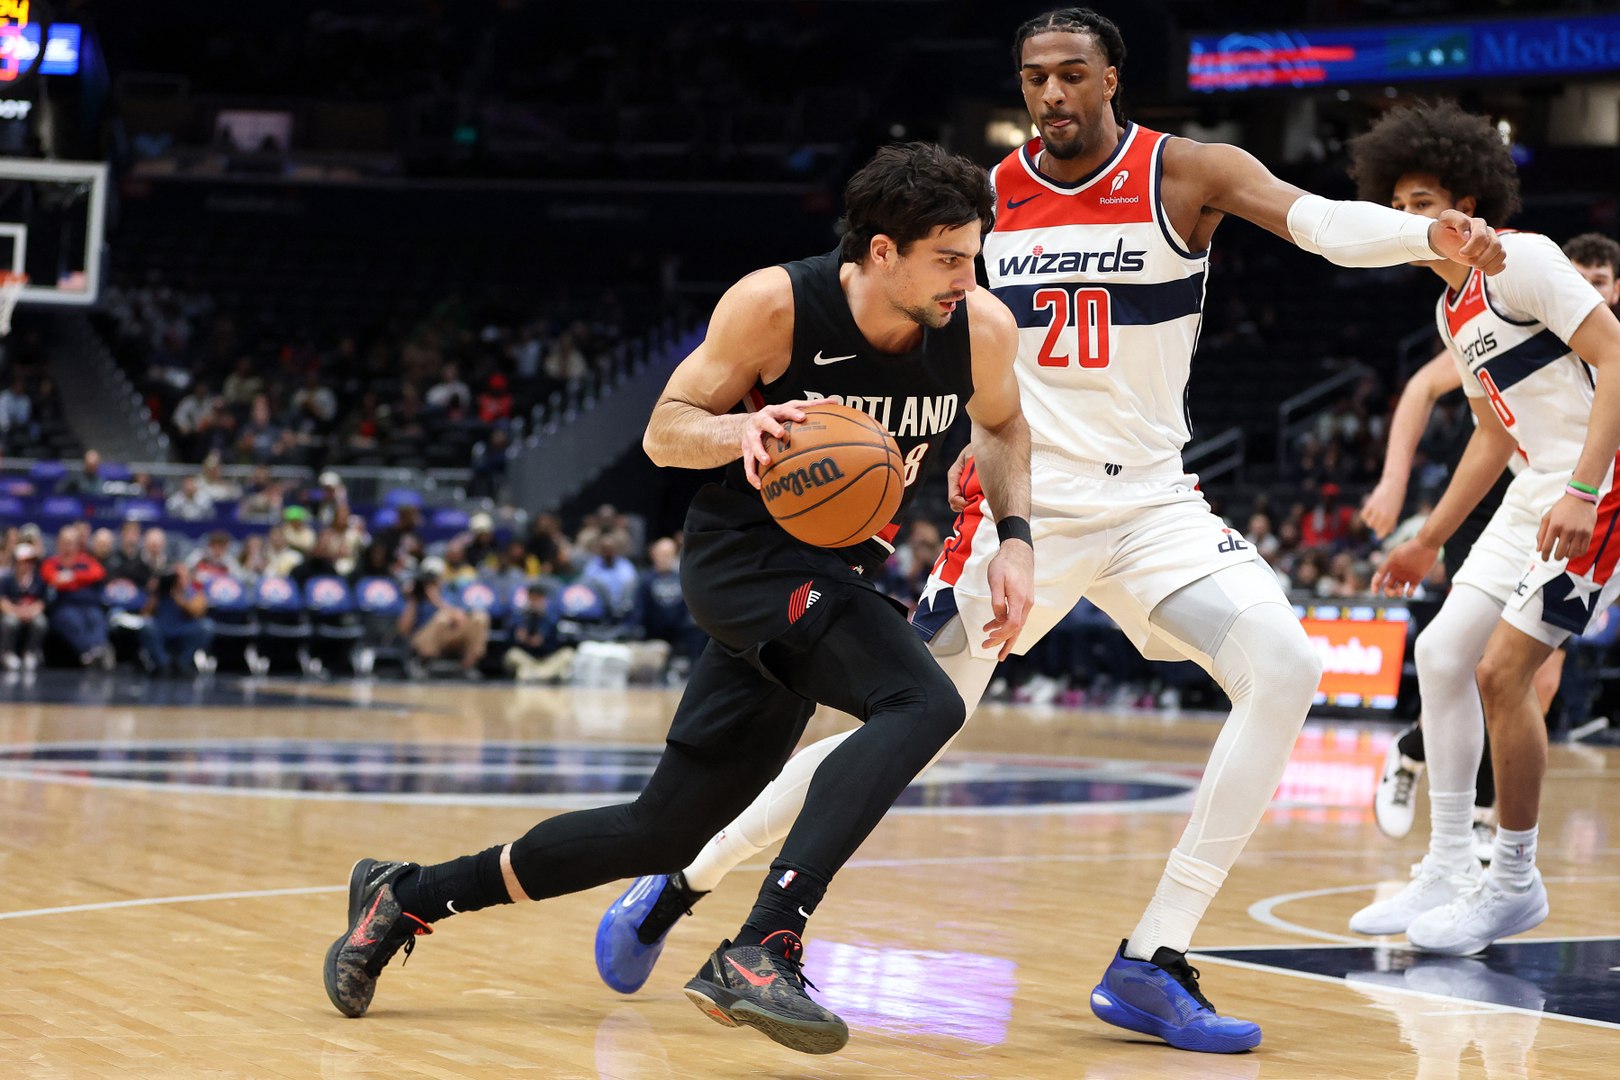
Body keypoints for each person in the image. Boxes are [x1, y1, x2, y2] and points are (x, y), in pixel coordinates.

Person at [592, 8, 1507, 1056]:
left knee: (1286, 665)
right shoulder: (979, 208)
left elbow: (1313, 221)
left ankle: (1152, 961)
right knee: (892, 734)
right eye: (1035, 79)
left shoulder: (1186, 173)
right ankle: (681, 885)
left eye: (1073, 74)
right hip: (1020, 509)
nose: (1053, 95)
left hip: (1155, 502)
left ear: (1114, 76)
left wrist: (1414, 236)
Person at [321, 142, 1034, 1056]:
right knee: (922, 699)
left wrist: (1016, 538)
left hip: (834, 575)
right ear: (882, 251)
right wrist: (743, 426)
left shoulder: (979, 328)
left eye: (973, 255)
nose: (966, 277)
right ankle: (764, 941)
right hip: (742, 561)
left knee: (664, 829)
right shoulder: (778, 303)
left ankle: (405, 897)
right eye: (949, 257)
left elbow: (1005, 425)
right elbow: (665, 431)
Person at [1344, 102, 1620, 955]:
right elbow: (1494, 433)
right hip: (1534, 484)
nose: (1408, 222)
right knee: (1440, 654)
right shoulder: (1449, 311)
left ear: (1468, 200)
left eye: (1424, 202)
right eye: (1397, 207)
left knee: (1505, 673)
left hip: (1600, 482)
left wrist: (1581, 487)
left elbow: (1617, 356)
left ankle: (1513, 880)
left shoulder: (1527, 260)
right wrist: (1429, 534)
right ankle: (1448, 864)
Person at [1360, 233, 1620, 856]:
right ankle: (1449, 823)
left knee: (1523, 678)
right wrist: (1406, 502)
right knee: (1464, 661)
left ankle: (1491, 836)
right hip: (1515, 496)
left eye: (1601, 280)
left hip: (1585, 495)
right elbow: (1433, 395)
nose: (1587, 287)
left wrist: (1584, 492)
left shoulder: (1553, 297)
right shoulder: (1477, 305)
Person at [398, 567, 488, 679]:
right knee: (440, 619)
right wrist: (413, 600)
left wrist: (437, 601)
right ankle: (422, 663)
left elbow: (460, 619)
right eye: (426, 584)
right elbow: (403, 630)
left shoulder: (448, 595)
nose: (428, 587)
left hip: (448, 637)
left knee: (480, 617)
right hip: (422, 639)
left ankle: (468, 666)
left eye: (432, 583)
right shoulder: (413, 600)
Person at [41, 526, 111, 668]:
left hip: (89, 605)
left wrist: (72, 577)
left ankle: (97, 650)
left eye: (71, 543)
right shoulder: (51, 562)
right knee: (72, 621)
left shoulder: (86, 561)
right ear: (58, 543)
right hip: (64, 605)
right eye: (65, 543)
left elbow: (98, 573)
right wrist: (82, 580)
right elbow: (52, 578)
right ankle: (88, 651)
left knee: (97, 619)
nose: (68, 547)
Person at [138, 563, 214, 676]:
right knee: (147, 626)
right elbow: (144, 613)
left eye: (180, 576)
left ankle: (183, 663)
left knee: (206, 626)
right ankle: (163, 663)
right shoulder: (161, 592)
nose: (177, 579)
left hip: (184, 629)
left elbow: (197, 612)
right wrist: (155, 592)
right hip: (163, 629)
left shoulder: (194, 592)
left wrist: (179, 598)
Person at [0, 542, 48, 671]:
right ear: (16, 562)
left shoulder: (38, 581)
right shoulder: (7, 580)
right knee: (9, 622)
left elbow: (41, 602)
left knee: (40, 622)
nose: (27, 565)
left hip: (31, 613)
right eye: (24, 561)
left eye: (30, 561)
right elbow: (3, 602)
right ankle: (6, 653)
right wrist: (18, 612)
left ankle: (31, 653)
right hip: (13, 613)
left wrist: (30, 612)